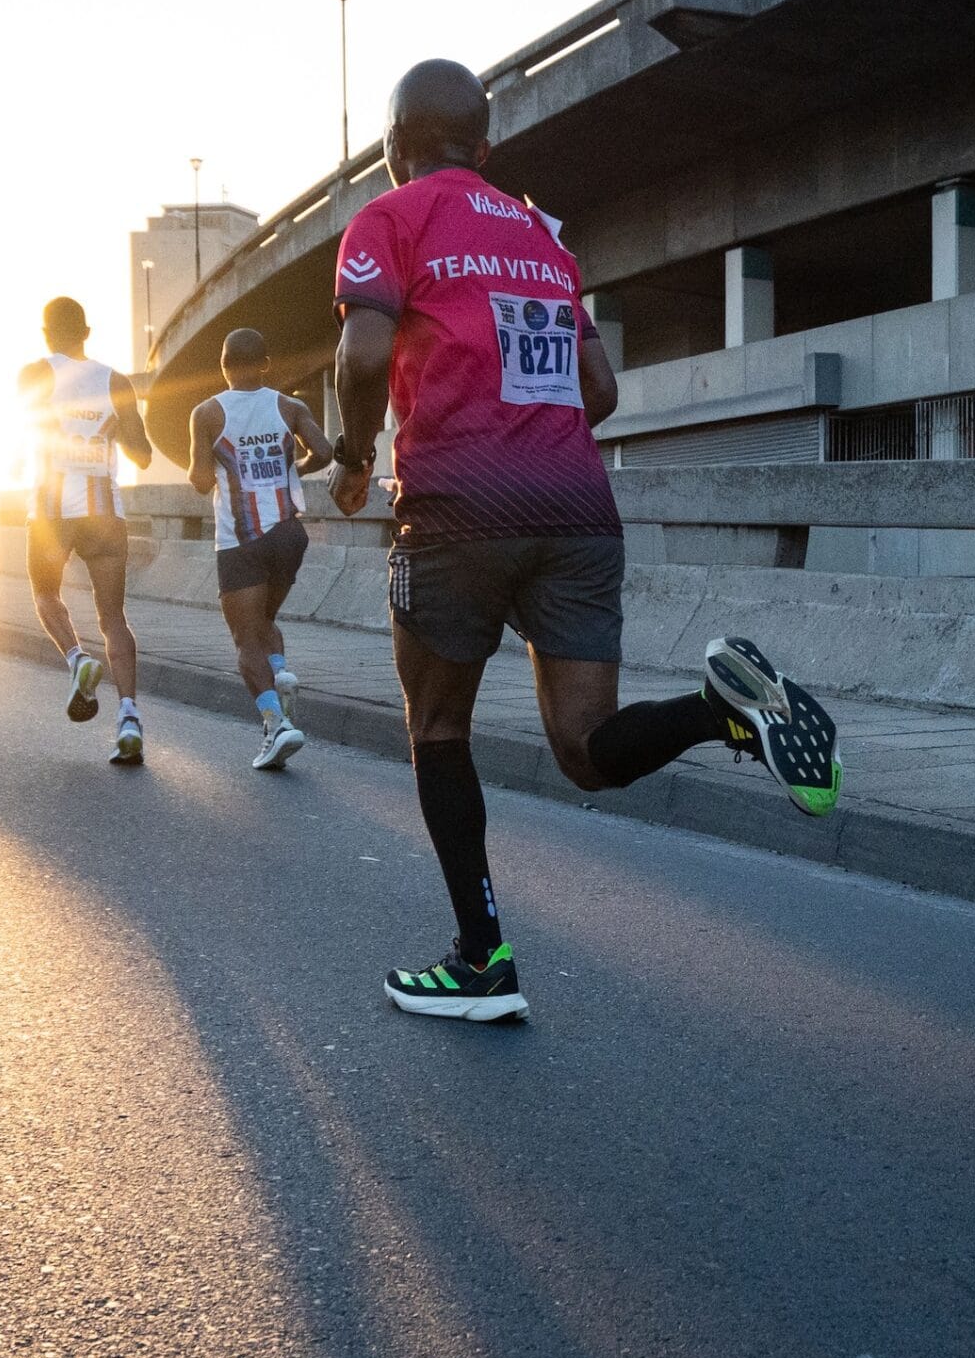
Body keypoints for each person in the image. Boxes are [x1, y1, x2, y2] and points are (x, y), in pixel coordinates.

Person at [331, 59, 842, 1023]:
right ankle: (719, 709)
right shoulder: (538, 235)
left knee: (438, 731)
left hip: (457, 513)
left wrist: (358, 457)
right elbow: (598, 393)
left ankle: (481, 961)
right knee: (586, 747)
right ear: (484, 148)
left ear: (395, 149)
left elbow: (362, 352)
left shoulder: (388, 220)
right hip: (575, 511)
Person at [187, 327, 330, 770]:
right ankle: (282, 672)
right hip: (289, 534)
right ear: (266, 364)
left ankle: (275, 724)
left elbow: (199, 479)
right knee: (265, 621)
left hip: (240, 540)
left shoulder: (207, 413)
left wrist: (222, 472)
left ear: (224, 366)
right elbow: (323, 452)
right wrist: (292, 467)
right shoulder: (290, 406)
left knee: (244, 636)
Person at [20, 297, 153, 764]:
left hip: (53, 509)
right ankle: (130, 717)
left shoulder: (35, 373)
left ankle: (78, 660)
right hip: (103, 510)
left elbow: (22, 430)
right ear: (87, 332)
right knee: (113, 617)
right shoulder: (115, 380)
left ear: (45, 332)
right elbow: (142, 454)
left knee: (45, 596)